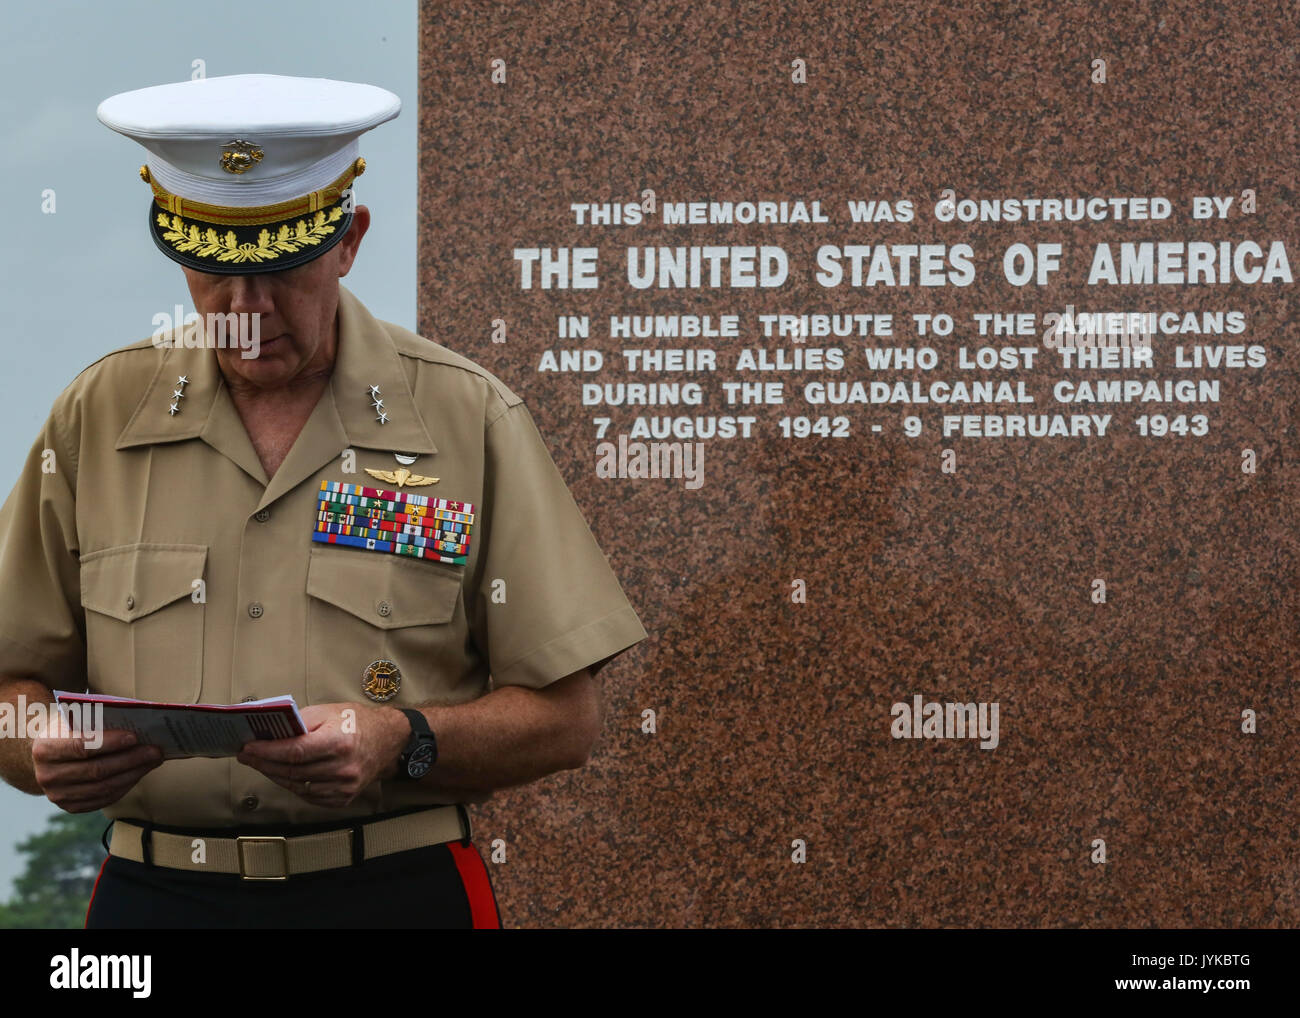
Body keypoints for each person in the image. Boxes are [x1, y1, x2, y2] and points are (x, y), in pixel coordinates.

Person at [0, 74, 648, 928]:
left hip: (393, 893)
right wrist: (38, 746)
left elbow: (566, 721)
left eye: (282, 271)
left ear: (348, 242)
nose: (247, 308)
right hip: (155, 901)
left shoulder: (467, 418)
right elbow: (13, 684)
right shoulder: (97, 417)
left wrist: (402, 741)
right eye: (216, 273)